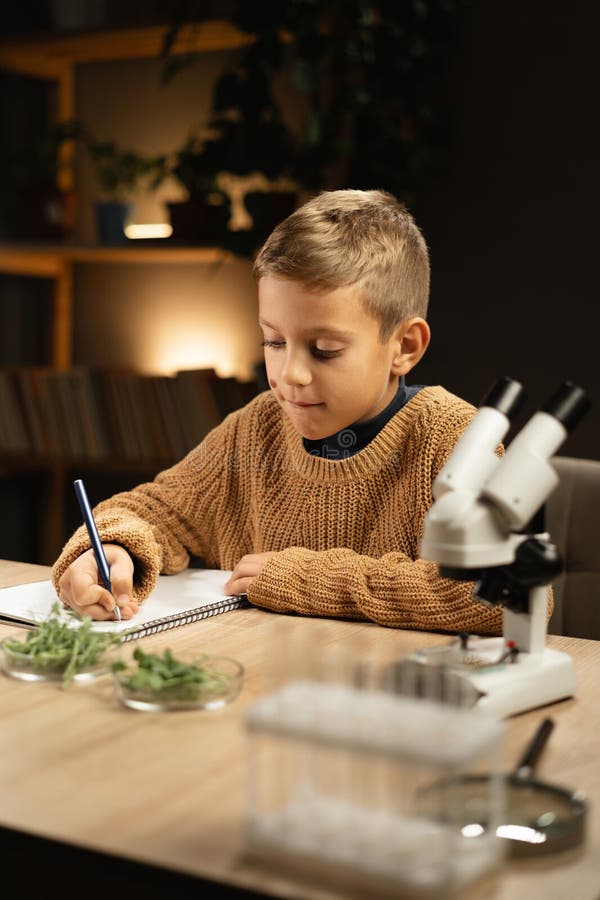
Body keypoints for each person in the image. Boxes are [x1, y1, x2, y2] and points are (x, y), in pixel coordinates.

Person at [53, 189, 518, 634]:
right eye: (273, 341)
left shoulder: (453, 438)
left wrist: (310, 580)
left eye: (324, 349)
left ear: (404, 346)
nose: (289, 373)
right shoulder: (256, 429)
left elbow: (501, 592)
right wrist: (113, 547)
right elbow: (152, 510)